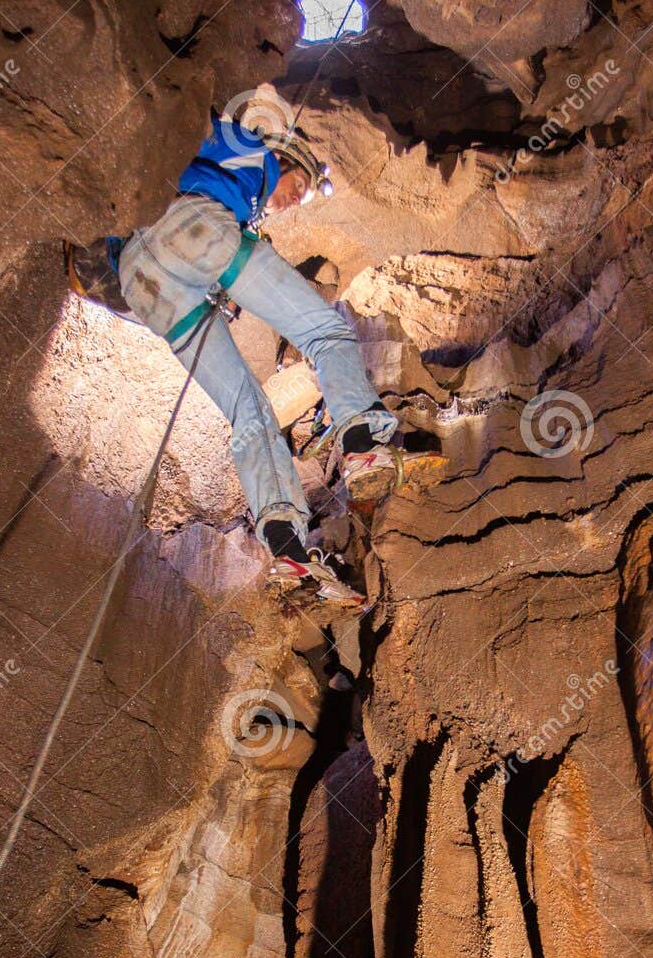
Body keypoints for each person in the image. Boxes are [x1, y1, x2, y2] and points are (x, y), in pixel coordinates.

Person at [66, 104, 409, 605]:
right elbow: (189, 127)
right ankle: (361, 442)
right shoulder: (248, 147)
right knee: (324, 330)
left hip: (142, 282)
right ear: (283, 158)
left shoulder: (241, 195)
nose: (293, 201)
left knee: (247, 411)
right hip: (193, 228)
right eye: (298, 186)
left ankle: (288, 548)